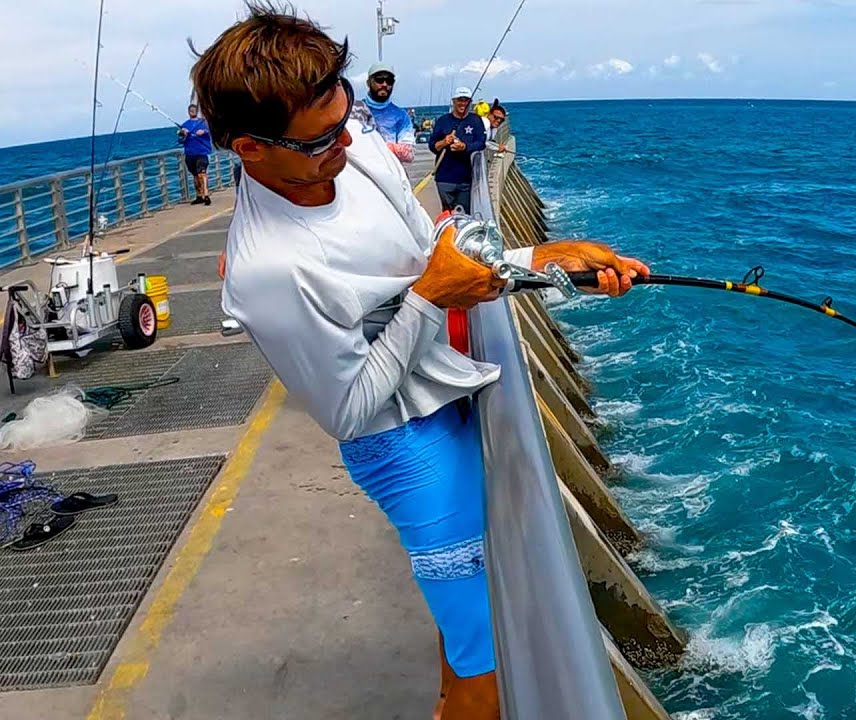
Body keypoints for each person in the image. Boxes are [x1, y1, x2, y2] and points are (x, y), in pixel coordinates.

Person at [191, 4, 649, 719]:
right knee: (485, 656)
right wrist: (433, 298)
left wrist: (541, 259)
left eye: (345, 120)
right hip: (405, 447)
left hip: (447, 390)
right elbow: (349, 411)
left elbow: (427, 257)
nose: (346, 144)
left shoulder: (358, 147)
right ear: (250, 149)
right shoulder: (269, 271)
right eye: (319, 142)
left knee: (466, 635)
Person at [428, 87, 486, 213]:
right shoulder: (443, 121)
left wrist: (464, 147)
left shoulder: (476, 120)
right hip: (444, 178)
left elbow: (481, 143)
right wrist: (444, 142)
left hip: (467, 179)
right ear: (454, 101)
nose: (463, 103)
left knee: (463, 214)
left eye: (466, 100)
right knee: (448, 214)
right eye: (460, 100)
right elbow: (433, 146)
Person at [363, 62, 416, 165]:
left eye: (389, 81)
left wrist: (386, 148)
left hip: (390, 172)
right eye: (379, 80)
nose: (384, 84)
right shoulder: (353, 110)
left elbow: (409, 154)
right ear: (368, 82)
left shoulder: (401, 115)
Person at [178, 104, 214, 205]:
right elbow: (180, 140)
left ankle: (206, 195)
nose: (192, 112)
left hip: (202, 152)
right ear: (188, 112)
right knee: (195, 175)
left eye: (194, 110)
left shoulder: (203, 123)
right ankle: (199, 196)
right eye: (190, 110)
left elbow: (211, 132)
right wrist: (183, 134)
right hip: (190, 153)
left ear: (197, 111)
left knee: (202, 173)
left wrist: (204, 132)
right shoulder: (185, 125)